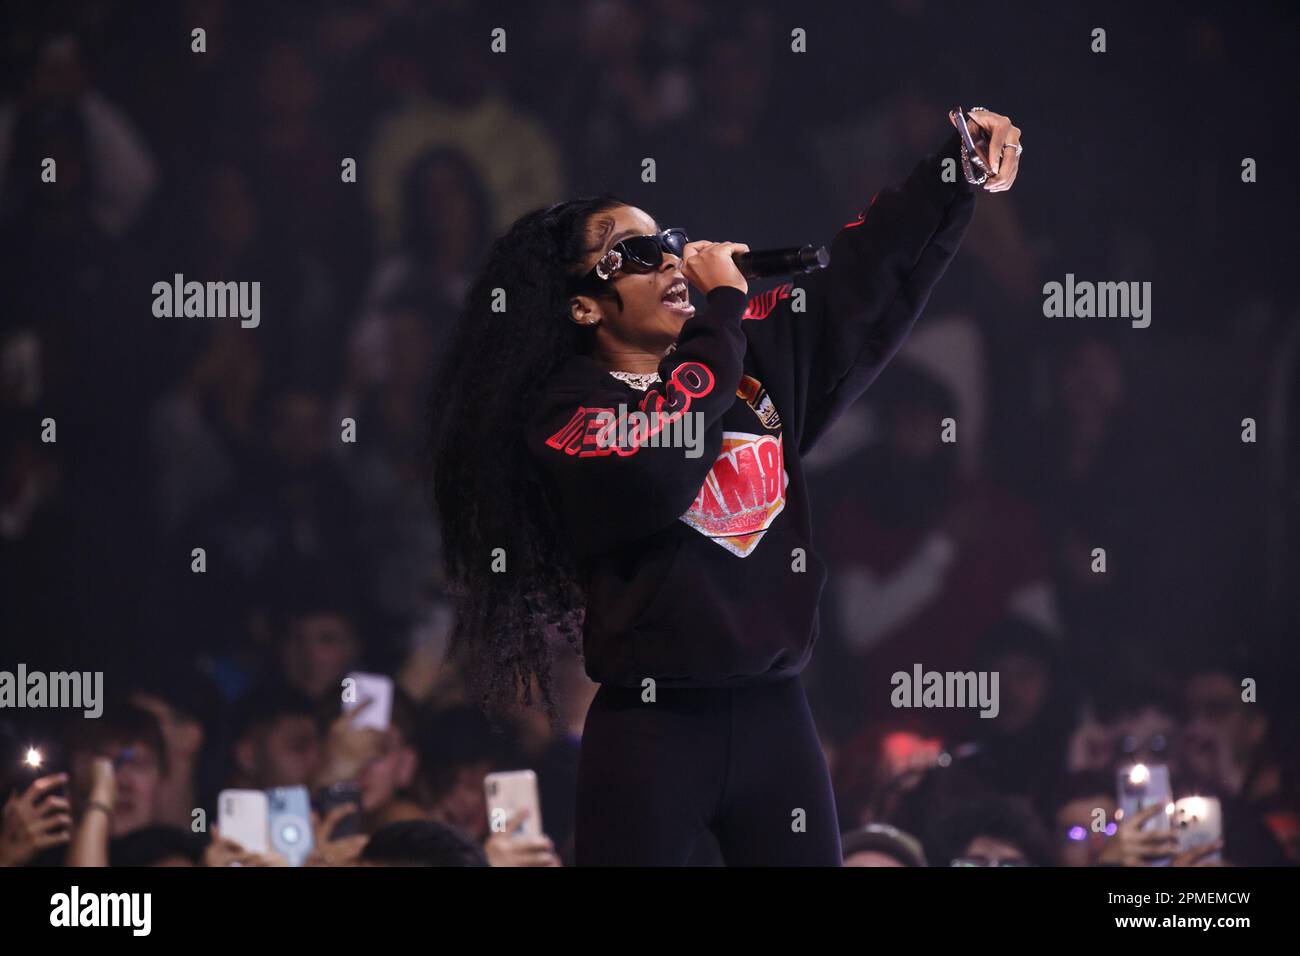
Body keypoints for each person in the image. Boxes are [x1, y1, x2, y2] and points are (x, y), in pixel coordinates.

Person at [429, 108, 1022, 865]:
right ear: (582, 303)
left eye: (673, 244)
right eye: (638, 253)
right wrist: (721, 311)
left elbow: (864, 279)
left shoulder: (743, 356)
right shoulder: (569, 415)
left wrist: (954, 170)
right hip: (653, 726)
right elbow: (659, 463)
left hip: (776, 713)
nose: (674, 260)